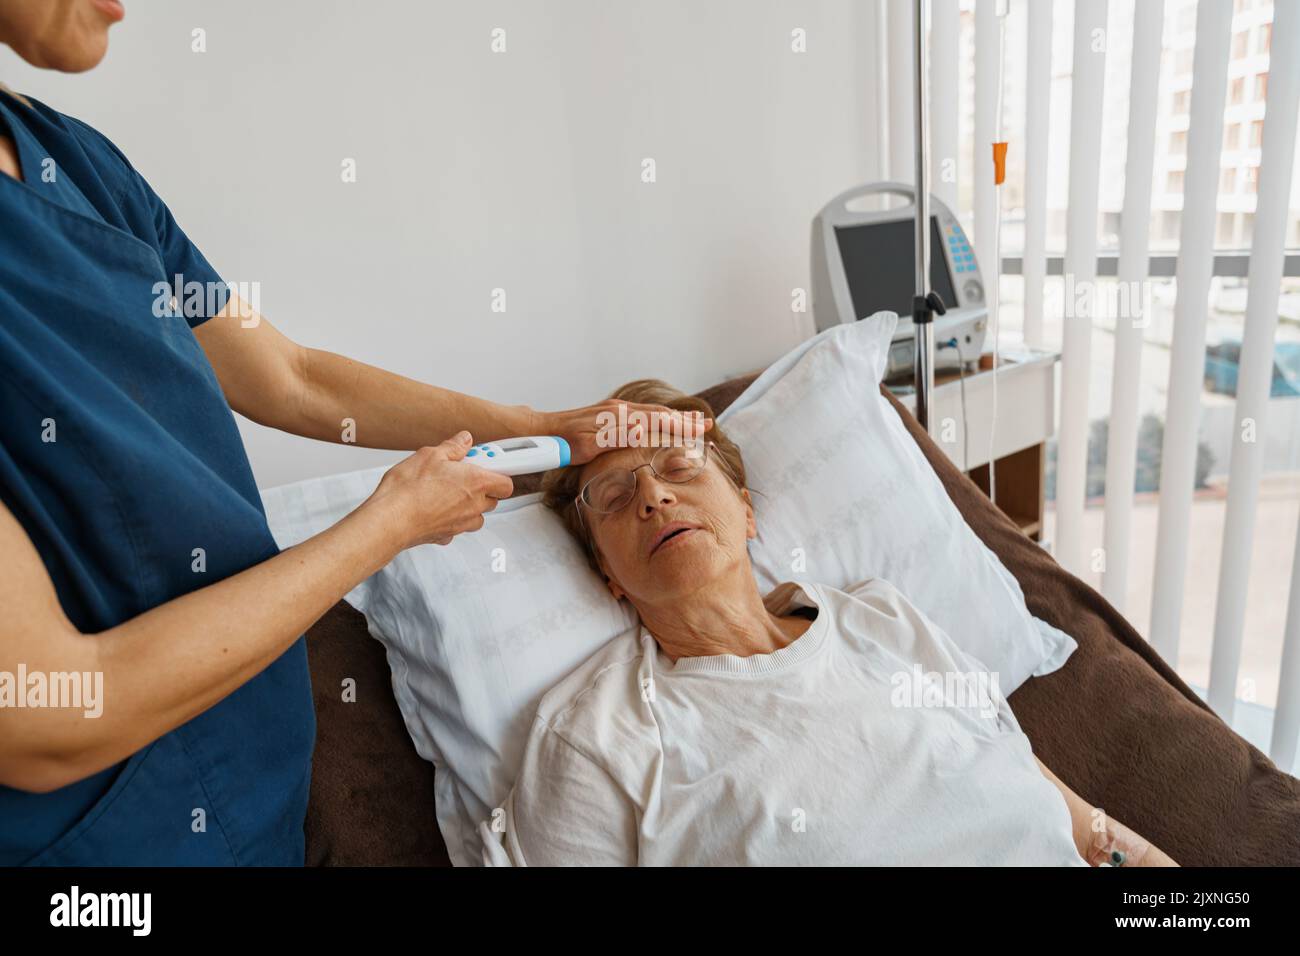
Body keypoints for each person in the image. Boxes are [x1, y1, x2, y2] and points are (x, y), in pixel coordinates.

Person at [0, 0, 709, 865]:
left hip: (261, 799)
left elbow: (290, 379)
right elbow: (50, 717)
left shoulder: (78, 166)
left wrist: (541, 426)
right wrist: (387, 527)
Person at [481, 379, 1178, 866]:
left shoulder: (881, 619)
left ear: (746, 510)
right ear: (607, 572)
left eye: (679, 469)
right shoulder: (596, 737)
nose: (655, 495)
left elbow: (1086, 830)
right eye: (614, 492)